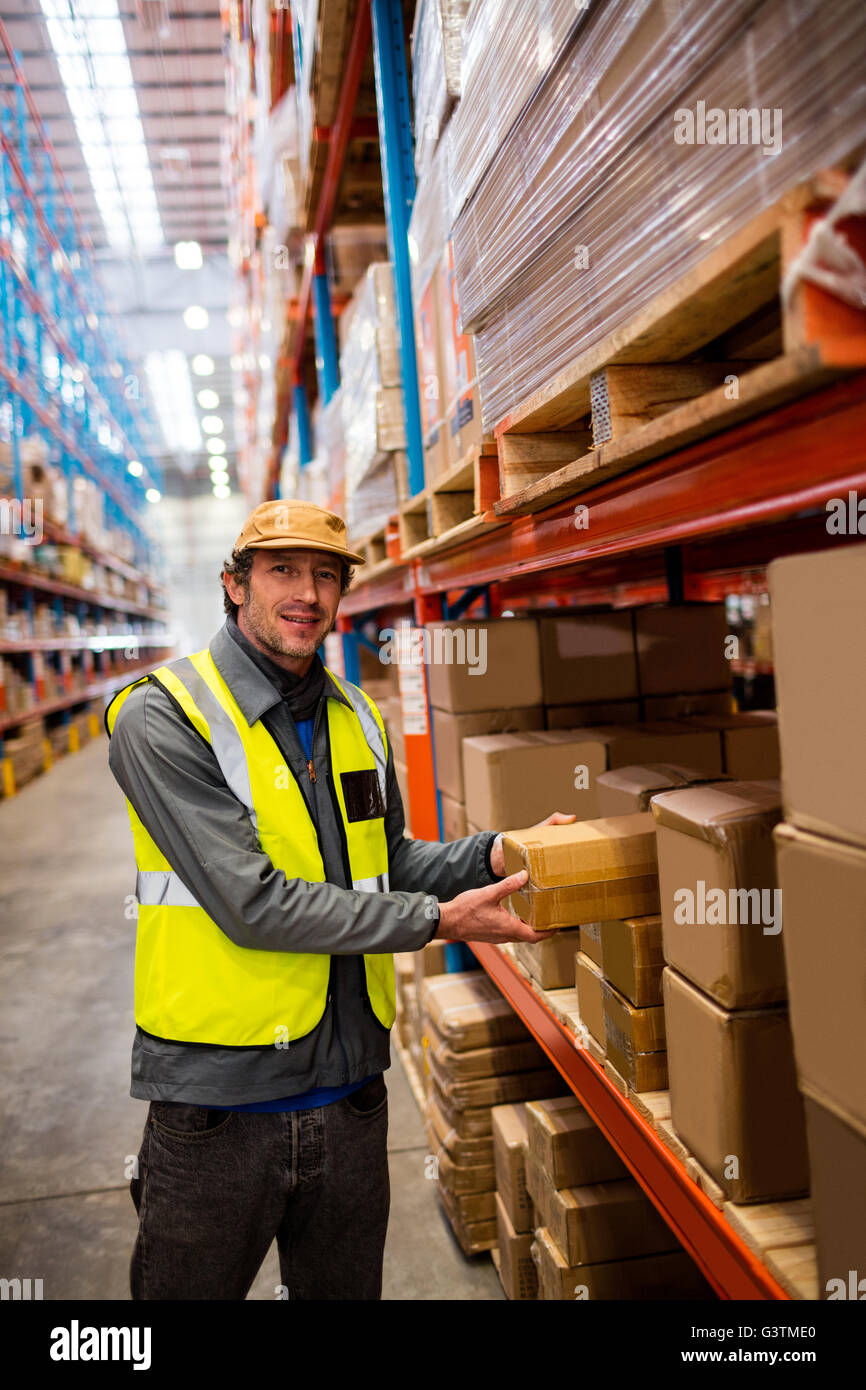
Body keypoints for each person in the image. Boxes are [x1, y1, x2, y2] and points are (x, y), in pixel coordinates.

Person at [106, 499, 572, 1300]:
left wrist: (492, 852)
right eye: (282, 570)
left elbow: (384, 861)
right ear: (233, 584)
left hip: (353, 1097)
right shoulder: (162, 716)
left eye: (326, 575)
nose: (309, 593)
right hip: (222, 1107)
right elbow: (252, 903)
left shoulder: (355, 715)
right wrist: (436, 922)